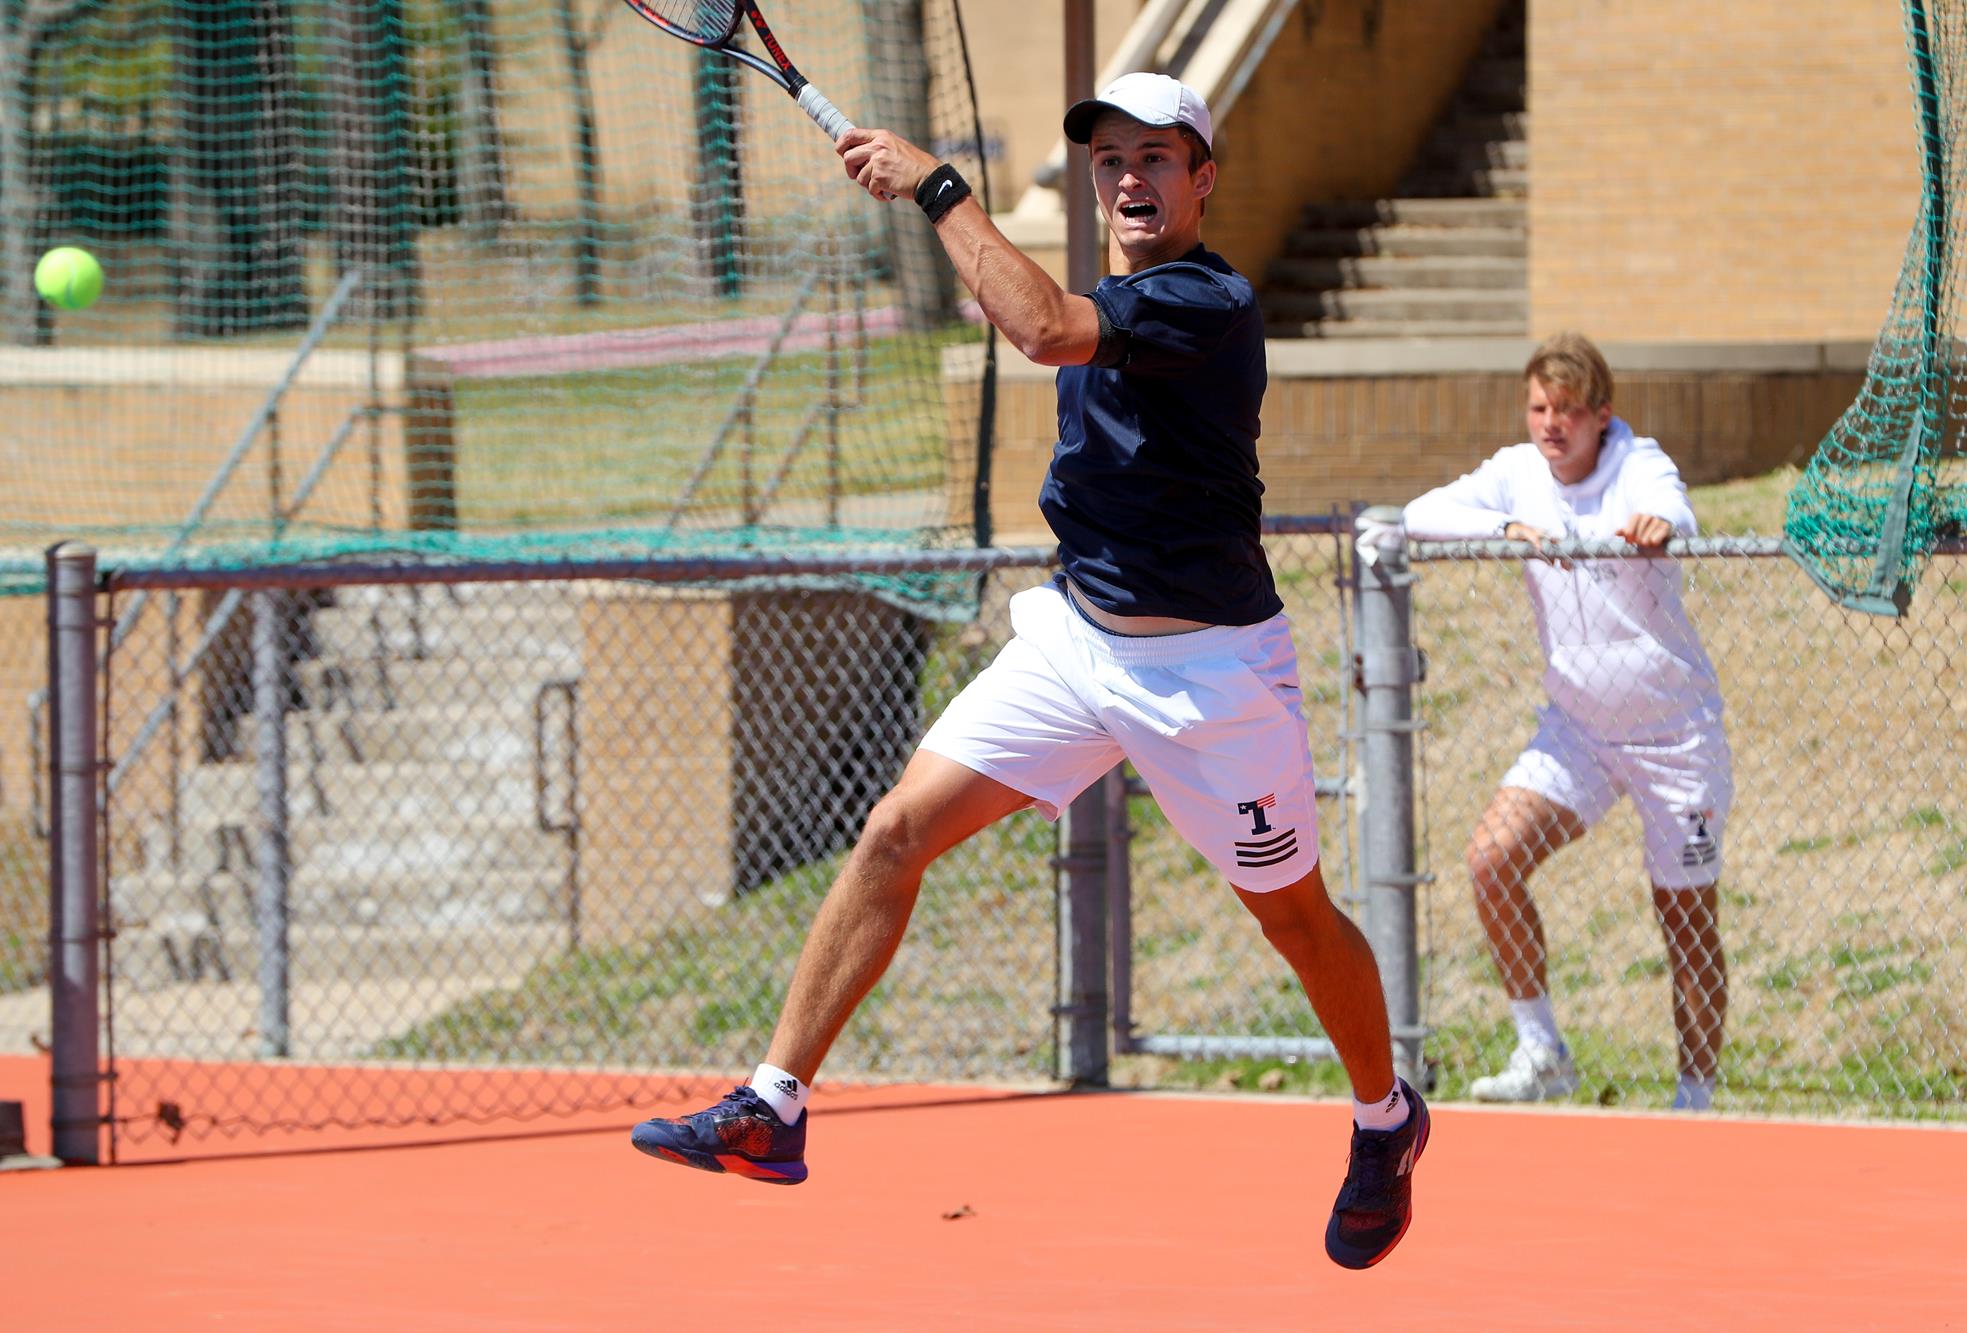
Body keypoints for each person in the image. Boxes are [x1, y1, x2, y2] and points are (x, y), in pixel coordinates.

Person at [632, 72, 1428, 1268]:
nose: (1128, 177)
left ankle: (1383, 1120)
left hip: (1210, 676)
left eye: (1155, 158)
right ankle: (773, 1104)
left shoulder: (1206, 300)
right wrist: (943, 205)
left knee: (1295, 920)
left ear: (1202, 179)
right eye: (1110, 159)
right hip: (1073, 641)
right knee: (894, 829)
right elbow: (1050, 316)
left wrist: (936, 185)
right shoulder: (1107, 294)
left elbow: (1041, 327)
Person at [1399, 331, 1733, 1112]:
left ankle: (1695, 1097)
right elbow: (1416, 514)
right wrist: (1502, 529)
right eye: (1540, 408)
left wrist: (1658, 524)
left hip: (1673, 733)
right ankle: (1542, 1048)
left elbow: (1673, 506)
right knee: (1491, 858)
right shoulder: (1518, 473)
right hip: (1578, 727)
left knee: (1685, 919)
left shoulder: (1635, 461)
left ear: (1602, 416)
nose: (1553, 424)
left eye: (1570, 411)